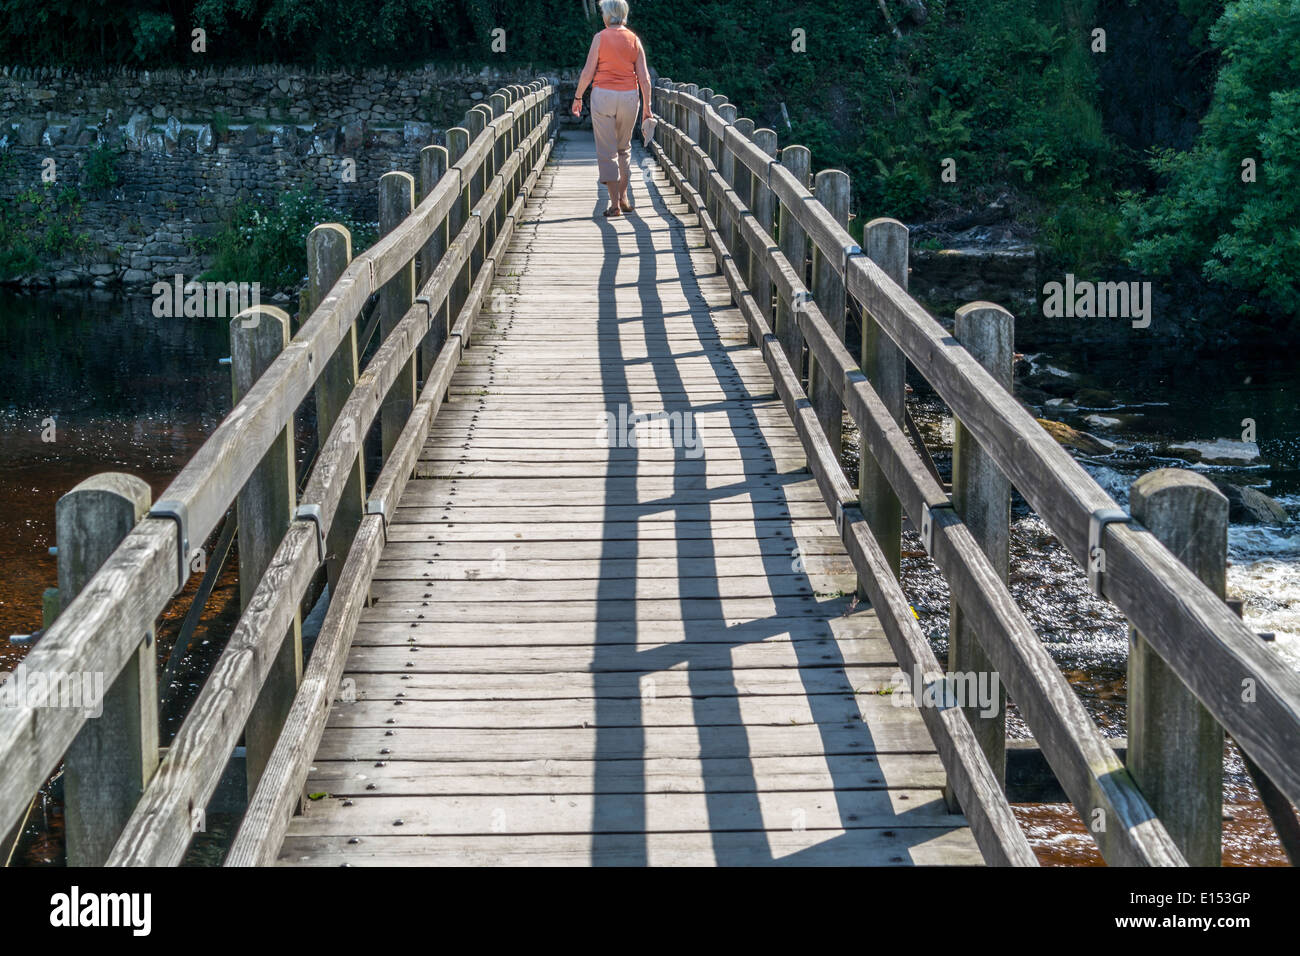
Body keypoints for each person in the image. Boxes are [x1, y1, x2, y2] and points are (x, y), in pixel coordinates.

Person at [570, 0, 653, 217]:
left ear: (608, 15)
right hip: (629, 96)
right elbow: (644, 79)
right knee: (624, 149)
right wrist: (647, 108)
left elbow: (588, 72)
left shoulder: (600, 38)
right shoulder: (634, 40)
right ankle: (624, 197)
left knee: (607, 152)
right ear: (623, 14)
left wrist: (578, 96)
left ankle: (614, 204)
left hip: (603, 96)